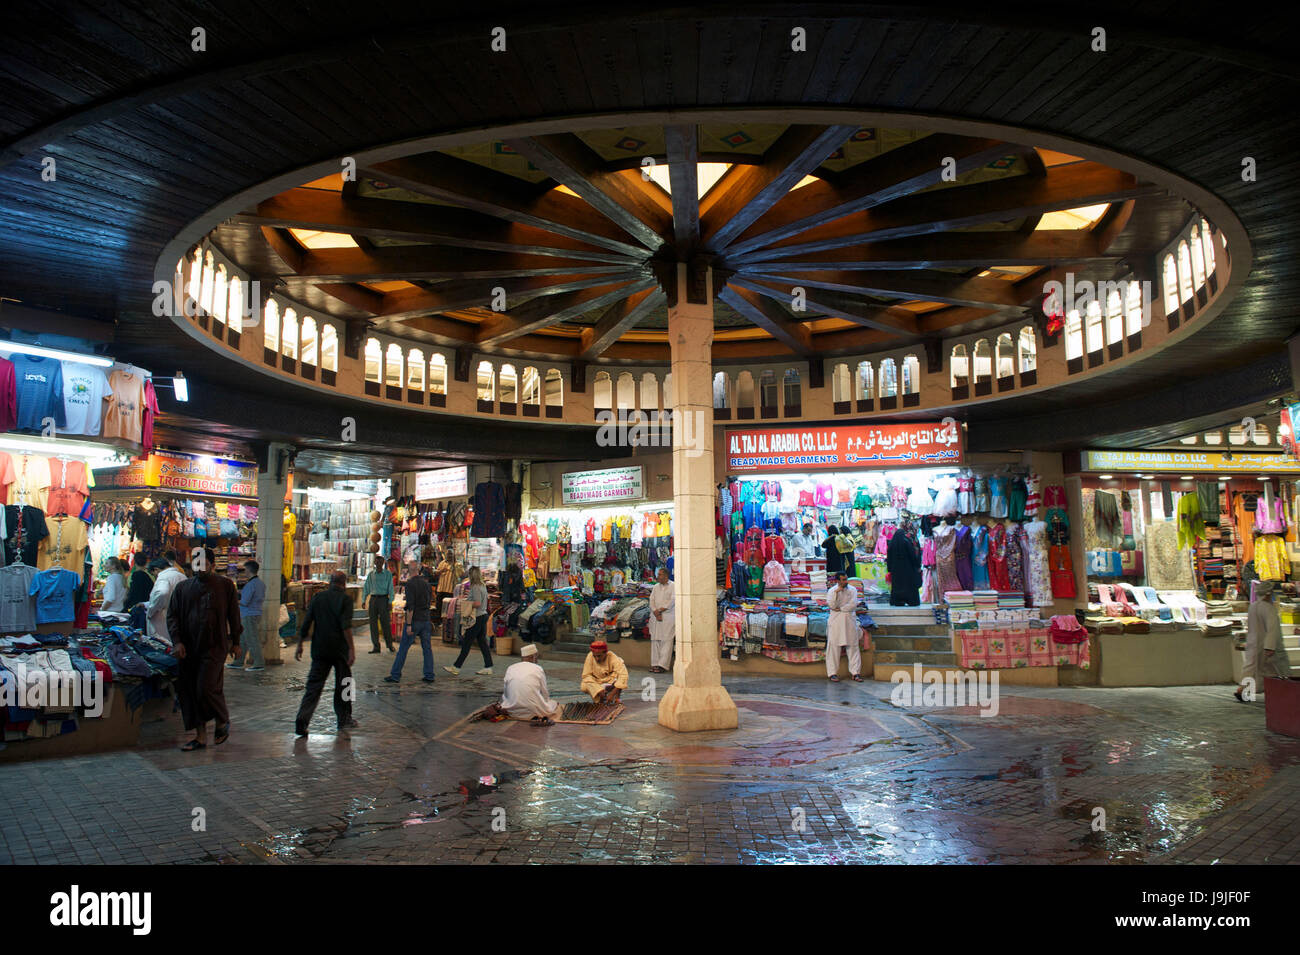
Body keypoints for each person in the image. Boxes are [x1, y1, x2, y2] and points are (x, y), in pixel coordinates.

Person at [166, 547, 241, 751]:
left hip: (215, 646)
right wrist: (177, 642)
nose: (199, 569)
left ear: (213, 565)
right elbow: (172, 616)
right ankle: (200, 737)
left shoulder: (225, 586)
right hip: (189, 648)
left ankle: (222, 719)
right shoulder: (183, 589)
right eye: (196, 564)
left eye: (204, 564)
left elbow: (234, 615)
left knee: (206, 687)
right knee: (190, 691)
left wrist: (236, 641)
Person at [294, 570, 358, 737]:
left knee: (313, 686)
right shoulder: (346, 600)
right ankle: (344, 718)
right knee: (345, 683)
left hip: (320, 648)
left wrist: (300, 644)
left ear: (330, 582)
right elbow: (346, 626)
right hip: (340, 650)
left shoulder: (318, 598)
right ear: (343, 584)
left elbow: (307, 621)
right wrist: (352, 648)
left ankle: (302, 718)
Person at [384, 559, 436, 684]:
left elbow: (410, 606)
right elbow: (430, 601)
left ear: (408, 571)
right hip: (425, 619)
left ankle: (395, 674)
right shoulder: (426, 584)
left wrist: (408, 624)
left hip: (415, 620)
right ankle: (429, 674)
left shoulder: (410, 585)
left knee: (403, 648)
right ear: (418, 570)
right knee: (427, 649)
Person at [1237, 581, 1289, 701]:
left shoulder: (1253, 606)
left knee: (1250, 668)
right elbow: (1272, 629)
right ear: (1268, 594)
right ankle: (1279, 692)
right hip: (1266, 645)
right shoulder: (1269, 608)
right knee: (1276, 670)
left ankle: (1242, 689)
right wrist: (1270, 646)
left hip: (1253, 643)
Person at [445, 566, 493, 676]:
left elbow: (477, 603)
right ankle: (488, 666)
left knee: (467, 642)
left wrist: (466, 603)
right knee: (482, 643)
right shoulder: (483, 586)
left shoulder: (475, 587)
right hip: (483, 615)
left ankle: (456, 667)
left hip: (477, 617)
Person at [499, 644, 560, 724]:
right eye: (536, 657)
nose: (537, 660)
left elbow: (506, 693)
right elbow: (545, 693)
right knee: (553, 703)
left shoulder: (511, 667)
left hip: (512, 711)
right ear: (533, 657)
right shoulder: (538, 668)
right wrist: (546, 702)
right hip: (534, 712)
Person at [228, 561, 267, 671]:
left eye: (245, 570)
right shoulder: (260, 583)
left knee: (252, 639)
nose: (244, 572)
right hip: (255, 613)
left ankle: (259, 663)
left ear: (248, 570)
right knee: (243, 639)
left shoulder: (251, 584)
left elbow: (245, 602)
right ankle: (238, 661)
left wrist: (234, 600)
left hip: (249, 614)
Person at [826, 571, 863, 682]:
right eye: (843, 580)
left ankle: (855, 673)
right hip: (836, 622)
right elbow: (832, 605)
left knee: (853, 647)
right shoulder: (832, 591)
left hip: (849, 621)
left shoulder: (853, 590)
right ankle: (832, 673)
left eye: (846, 579)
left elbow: (852, 605)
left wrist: (841, 609)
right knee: (833, 647)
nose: (845, 582)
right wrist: (837, 593)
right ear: (837, 581)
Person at [146, 557, 187, 645]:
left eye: (154, 574)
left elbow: (162, 593)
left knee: (163, 646)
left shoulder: (164, 577)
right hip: (179, 618)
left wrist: (151, 610)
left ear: (156, 570)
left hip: (163, 619)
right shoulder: (182, 576)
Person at [887, 516, 923, 606]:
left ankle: (898, 601)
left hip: (896, 570)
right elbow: (913, 555)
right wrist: (917, 565)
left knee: (896, 586)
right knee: (909, 586)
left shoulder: (892, 543)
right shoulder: (907, 541)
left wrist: (890, 569)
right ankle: (911, 601)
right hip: (908, 569)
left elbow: (889, 557)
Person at [362, 558, 396, 654]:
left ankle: (389, 645)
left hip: (383, 599)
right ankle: (376, 646)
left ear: (383, 563)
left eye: (380, 562)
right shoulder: (371, 575)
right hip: (373, 599)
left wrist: (390, 601)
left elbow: (390, 588)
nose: (378, 564)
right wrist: (364, 600)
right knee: (373, 623)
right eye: (377, 562)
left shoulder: (388, 574)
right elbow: (366, 588)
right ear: (374, 563)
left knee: (385, 623)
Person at [648, 566, 675, 673]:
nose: (658, 576)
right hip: (656, 617)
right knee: (655, 640)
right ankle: (654, 664)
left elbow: (672, 601)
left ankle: (662, 665)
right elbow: (652, 600)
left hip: (668, 617)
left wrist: (660, 611)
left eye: (660, 574)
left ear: (666, 575)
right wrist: (655, 611)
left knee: (667, 640)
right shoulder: (655, 587)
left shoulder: (673, 586)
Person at [435, 551, 456, 639]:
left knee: (448, 609)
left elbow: (461, 574)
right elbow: (436, 572)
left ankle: (447, 623)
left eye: (451, 554)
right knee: (439, 606)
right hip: (441, 588)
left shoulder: (456, 565)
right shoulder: (442, 563)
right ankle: (438, 622)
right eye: (448, 554)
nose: (449, 556)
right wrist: (441, 571)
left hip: (450, 589)